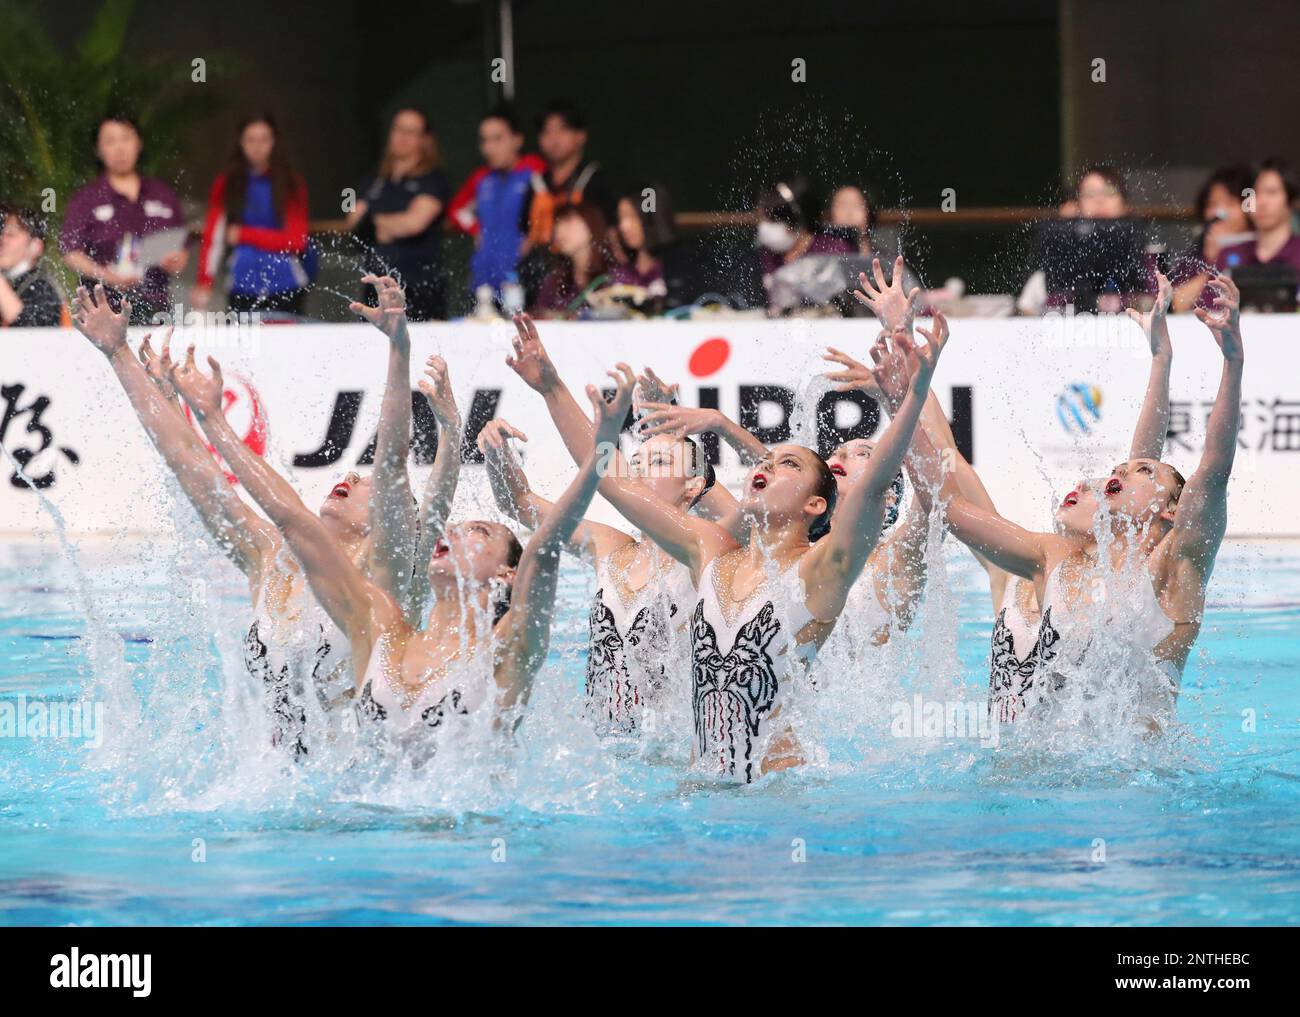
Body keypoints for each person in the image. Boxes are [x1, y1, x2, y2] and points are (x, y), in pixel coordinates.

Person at [508, 311, 949, 783]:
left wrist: (912, 395)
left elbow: (879, 484)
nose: (766, 464)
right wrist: (552, 387)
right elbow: (613, 482)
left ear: (817, 504)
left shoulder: (823, 571)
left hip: (779, 798)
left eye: (789, 465)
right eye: (767, 460)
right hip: (703, 793)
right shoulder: (710, 552)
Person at [172, 315, 634, 744]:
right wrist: (194, 408)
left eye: (475, 531)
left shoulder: (510, 643)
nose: (449, 534)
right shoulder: (380, 623)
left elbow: (545, 539)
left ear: (509, 574)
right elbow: (290, 518)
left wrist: (602, 448)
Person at [68, 277, 462, 758]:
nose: (352, 479)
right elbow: (189, 461)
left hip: (358, 783)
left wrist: (399, 347)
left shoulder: (383, 574)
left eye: (364, 485)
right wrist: (118, 354)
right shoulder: (269, 557)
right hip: (281, 783)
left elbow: (393, 459)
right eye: (354, 476)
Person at [906, 274, 1243, 734]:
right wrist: (905, 389)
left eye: (1112, 481)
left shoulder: (1172, 567)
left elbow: (1211, 470)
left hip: (1135, 788)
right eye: (1110, 478)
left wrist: (1227, 359)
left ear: (1170, 510)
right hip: (1032, 776)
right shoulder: (1040, 562)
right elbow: (948, 481)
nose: (1110, 479)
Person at [483, 317, 735, 738]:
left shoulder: (708, 551)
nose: (638, 474)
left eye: (657, 463)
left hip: (670, 747)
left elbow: (757, 514)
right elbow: (520, 504)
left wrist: (554, 390)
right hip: (604, 751)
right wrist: (496, 453)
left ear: (694, 484)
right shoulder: (609, 547)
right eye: (636, 464)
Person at [61, 115, 187, 324]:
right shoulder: (87, 198)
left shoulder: (162, 193)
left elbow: (180, 248)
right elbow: (70, 252)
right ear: (98, 150)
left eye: (126, 138)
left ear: (139, 142)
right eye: (110, 141)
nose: (120, 148)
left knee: (155, 356)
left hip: (156, 306)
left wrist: (173, 260)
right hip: (103, 310)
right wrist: (106, 275)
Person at [192, 113, 312, 315]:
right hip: (241, 285)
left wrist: (244, 235)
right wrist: (204, 282)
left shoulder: (291, 183)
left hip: (286, 286)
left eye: (264, 139)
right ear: (241, 143)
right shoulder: (227, 183)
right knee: (240, 345)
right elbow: (214, 238)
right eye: (251, 139)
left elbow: (297, 241)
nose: (257, 146)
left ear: (275, 142)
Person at [346, 109, 450, 321]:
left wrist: (373, 223)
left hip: (419, 286)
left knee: (423, 351)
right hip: (376, 287)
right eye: (398, 129)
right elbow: (353, 220)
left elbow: (414, 223)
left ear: (425, 139)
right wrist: (390, 225)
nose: (402, 137)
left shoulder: (433, 179)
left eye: (411, 132)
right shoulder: (374, 179)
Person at [446, 106, 546, 305]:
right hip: (484, 280)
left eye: (498, 139)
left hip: (523, 279)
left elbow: (551, 210)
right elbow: (455, 212)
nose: (489, 148)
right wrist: (476, 230)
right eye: (484, 140)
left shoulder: (534, 170)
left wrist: (533, 237)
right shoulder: (482, 179)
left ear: (518, 139)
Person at [1170, 165, 1253, 312]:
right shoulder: (1196, 255)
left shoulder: (1257, 250)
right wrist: (1211, 261)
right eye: (1212, 204)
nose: (1220, 213)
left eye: (1230, 203)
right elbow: (1176, 305)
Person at [530, 202, 618, 317]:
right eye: (557, 223)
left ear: (591, 224)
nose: (558, 230)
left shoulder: (614, 277)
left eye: (568, 222)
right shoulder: (554, 281)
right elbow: (539, 318)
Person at [1216, 159, 1300, 278]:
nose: (1261, 202)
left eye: (1271, 192)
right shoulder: (1229, 254)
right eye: (1252, 194)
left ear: (1291, 200)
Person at [607, 183, 675, 313]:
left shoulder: (677, 267)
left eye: (632, 217)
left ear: (654, 218)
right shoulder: (621, 271)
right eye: (621, 218)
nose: (623, 226)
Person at [0, 204, 62, 327]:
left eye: (11, 234)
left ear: (35, 247)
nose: (2, 239)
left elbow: (32, 331)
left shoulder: (42, 286)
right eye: (2, 233)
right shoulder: (10, 280)